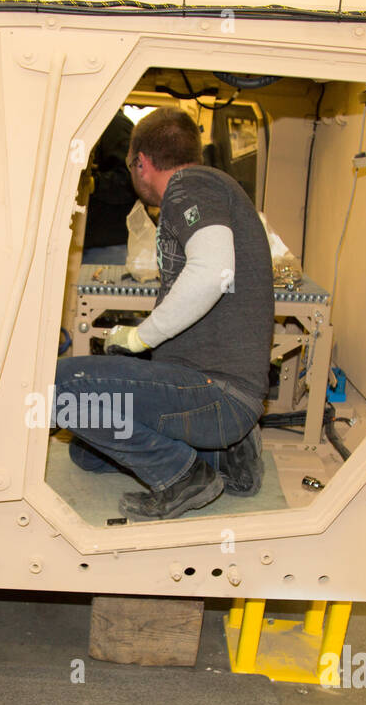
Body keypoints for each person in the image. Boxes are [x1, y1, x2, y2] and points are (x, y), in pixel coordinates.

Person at [54, 107, 273, 520]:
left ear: (141, 162)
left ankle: (183, 476)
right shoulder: (215, 188)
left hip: (216, 395)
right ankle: (229, 454)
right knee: (87, 455)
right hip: (216, 392)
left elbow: (212, 272)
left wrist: (142, 337)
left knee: (60, 390)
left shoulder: (189, 185)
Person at [81, 110, 138, 265]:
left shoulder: (115, 125)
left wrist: (94, 184)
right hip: (89, 242)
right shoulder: (91, 122)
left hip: (107, 245)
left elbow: (131, 180)